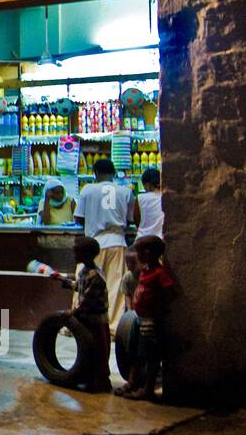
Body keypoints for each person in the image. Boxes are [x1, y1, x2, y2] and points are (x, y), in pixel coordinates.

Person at [74, 158, 133, 325]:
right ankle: (113, 325)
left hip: (93, 244)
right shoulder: (126, 191)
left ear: (95, 173)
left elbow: (79, 217)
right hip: (117, 241)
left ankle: (80, 322)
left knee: (84, 283)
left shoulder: (87, 189)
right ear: (114, 173)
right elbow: (129, 220)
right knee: (115, 286)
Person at [48, 235, 111, 392]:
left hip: (96, 320)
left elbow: (88, 298)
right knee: (89, 350)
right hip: (87, 318)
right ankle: (90, 377)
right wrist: (62, 279)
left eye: (77, 253)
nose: (74, 256)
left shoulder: (95, 275)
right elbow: (80, 287)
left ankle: (101, 381)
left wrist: (73, 312)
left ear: (87, 254)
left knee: (99, 350)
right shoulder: (85, 272)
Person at [118, 235, 177, 400]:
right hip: (140, 319)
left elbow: (170, 292)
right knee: (137, 353)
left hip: (151, 322)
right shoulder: (145, 271)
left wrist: (157, 309)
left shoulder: (159, 273)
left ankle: (147, 389)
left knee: (150, 356)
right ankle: (132, 382)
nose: (137, 256)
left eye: (139, 252)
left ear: (148, 253)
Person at [133, 167, 165, 240]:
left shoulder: (140, 198)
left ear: (147, 184)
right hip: (160, 239)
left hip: (142, 239)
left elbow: (136, 219)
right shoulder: (164, 197)